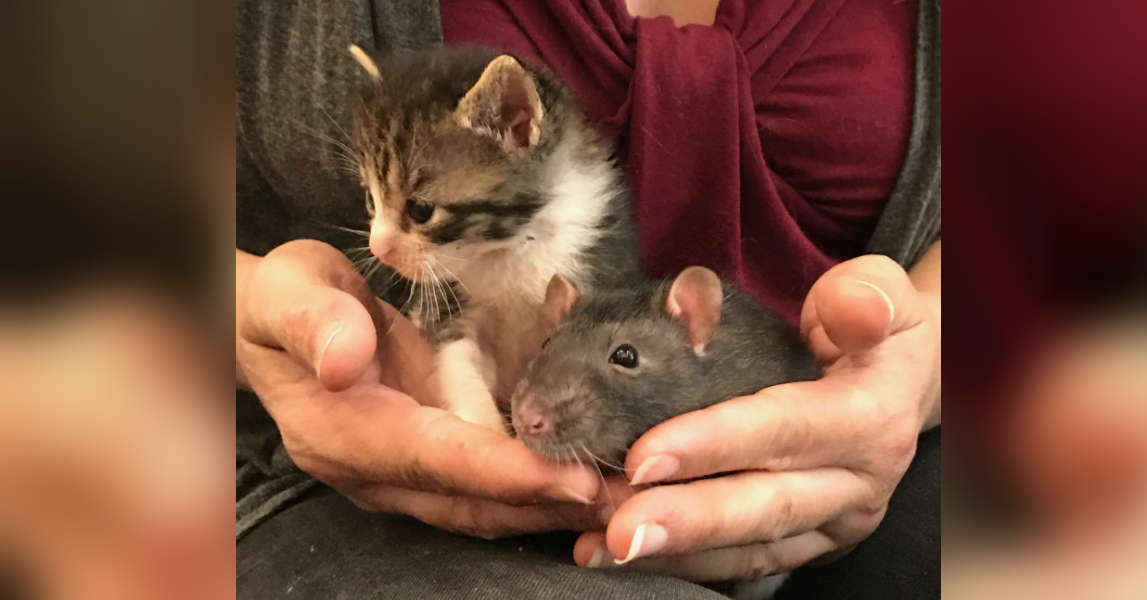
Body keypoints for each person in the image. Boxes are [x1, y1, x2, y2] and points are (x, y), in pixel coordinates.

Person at [235, 0, 940, 597]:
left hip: (874, 432)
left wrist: (925, 361)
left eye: (415, 211)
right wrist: (244, 321)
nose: (377, 242)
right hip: (342, 470)